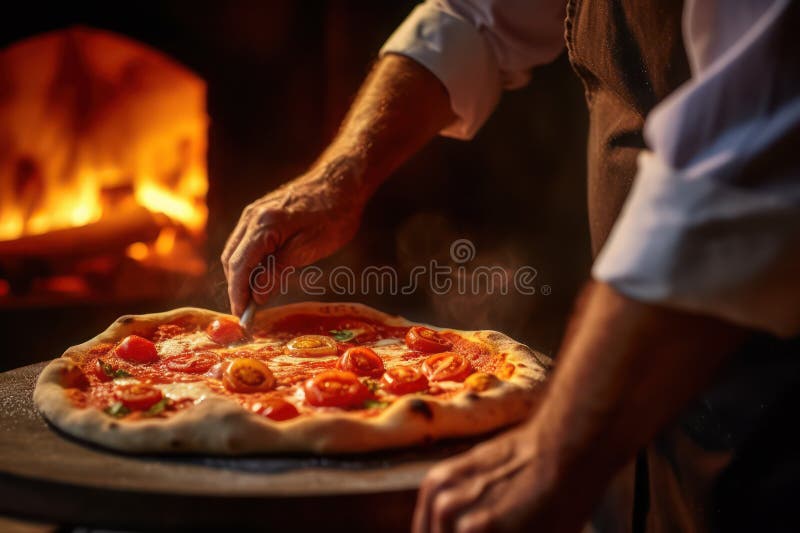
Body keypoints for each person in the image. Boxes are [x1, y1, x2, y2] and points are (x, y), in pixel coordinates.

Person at [222, 1, 800, 531]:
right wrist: (339, 177)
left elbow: (749, 155)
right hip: (638, 362)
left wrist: (554, 449)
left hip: (766, 381)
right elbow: (479, 15)